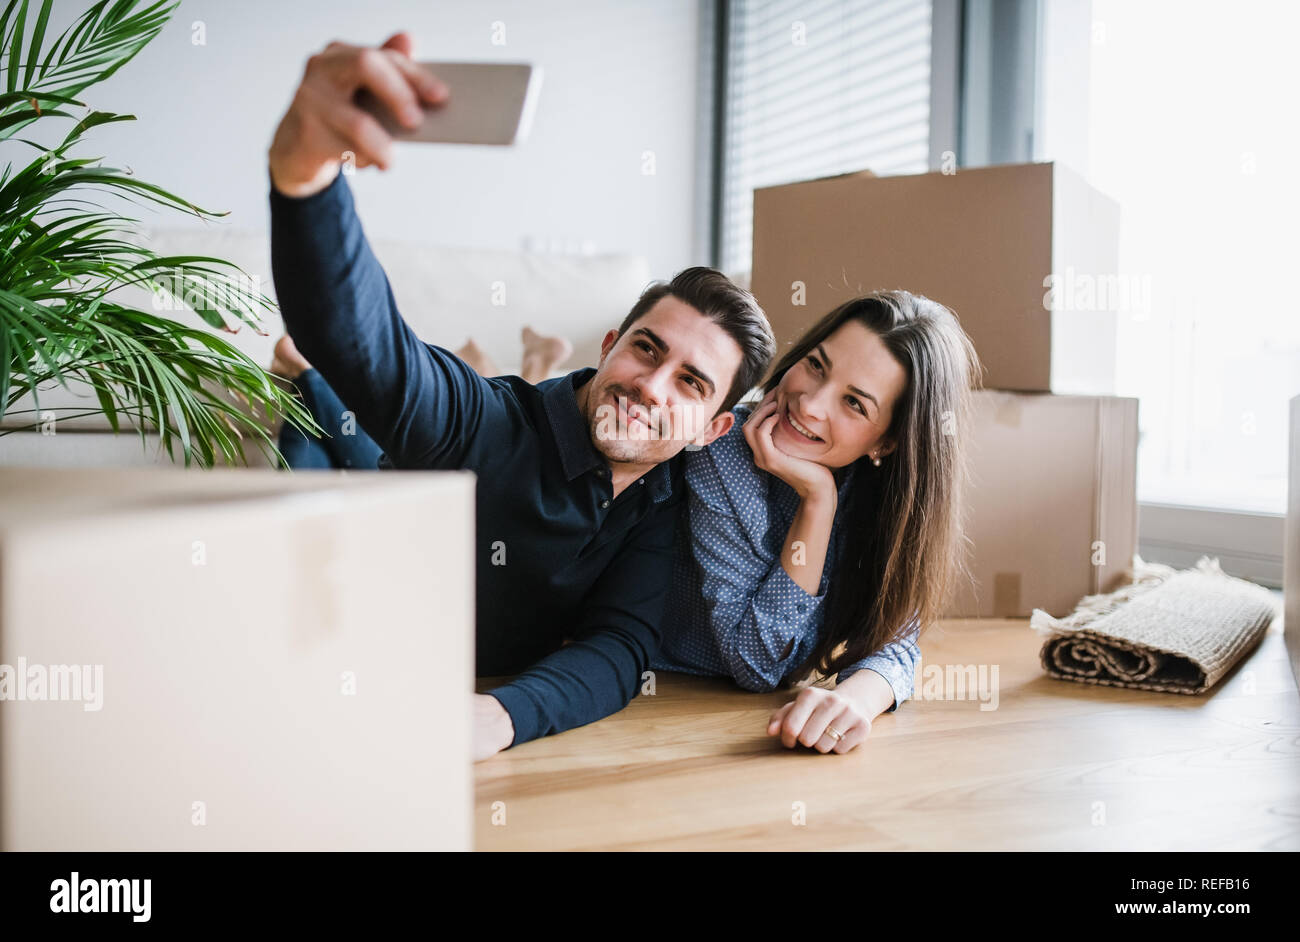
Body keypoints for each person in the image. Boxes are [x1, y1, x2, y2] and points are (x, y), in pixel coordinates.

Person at [266, 31, 776, 761]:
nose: (649, 385)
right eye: (646, 348)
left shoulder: (660, 498)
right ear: (609, 347)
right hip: (371, 598)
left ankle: (309, 387)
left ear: (712, 428)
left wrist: (501, 716)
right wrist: (306, 175)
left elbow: (621, 644)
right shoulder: (490, 420)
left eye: (690, 383)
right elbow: (373, 350)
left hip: (457, 659)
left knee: (354, 435)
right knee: (311, 469)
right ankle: (304, 383)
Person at [650, 292, 982, 754]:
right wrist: (817, 502)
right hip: (670, 687)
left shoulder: (885, 497)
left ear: (886, 444)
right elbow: (758, 664)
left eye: (855, 403)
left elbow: (895, 642)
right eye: (817, 365)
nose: (809, 405)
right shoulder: (723, 448)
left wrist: (856, 700)